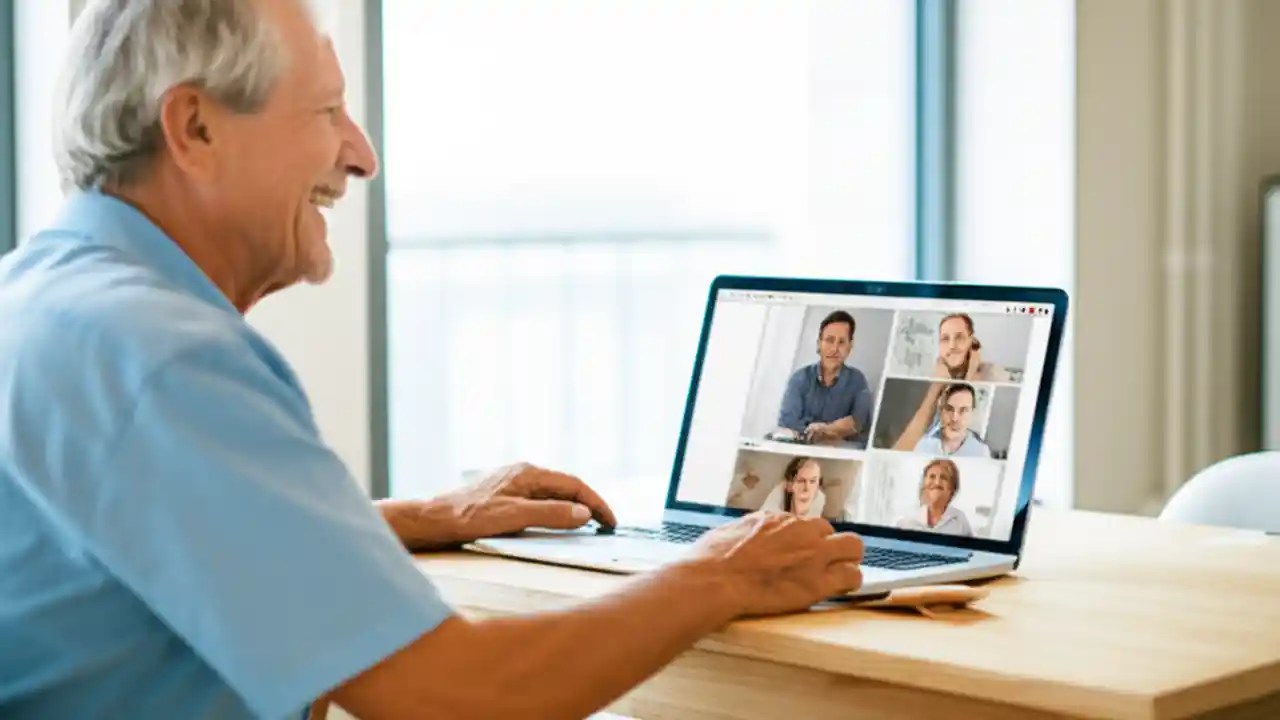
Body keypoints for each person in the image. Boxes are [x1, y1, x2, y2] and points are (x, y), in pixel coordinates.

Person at [0, 2, 865, 718]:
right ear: (194, 127)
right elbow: (461, 697)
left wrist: (415, 516)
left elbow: (144, 550)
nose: (361, 155)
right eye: (326, 111)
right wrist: (719, 574)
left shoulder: (46, 300)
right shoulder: (164, 357)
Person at [776, 310, 874, 446]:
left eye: (841, 342)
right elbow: (788, 423)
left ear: (849, 347)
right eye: (829, 340)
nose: (834, 348)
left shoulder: (857, 380)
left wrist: (825, 430)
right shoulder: (799, 378)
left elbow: (858, 421)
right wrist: (822, 431)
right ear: (819, 343)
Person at [892, 381, 993, 458]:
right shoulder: (922, 443)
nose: (954, 418)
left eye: (963, 410)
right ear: (941, 410)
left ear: (972, 413)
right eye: (949, 409)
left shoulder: (981, 452)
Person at [894, 459, 974, 536]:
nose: (937, 483)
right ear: (924, 484)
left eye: (943, 478)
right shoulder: (906, 521)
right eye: (932, 476)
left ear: (952, 488)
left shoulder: (960, 522)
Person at [933, 313, 1014, 383]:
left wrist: (971, 374)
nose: (952, 346)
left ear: (971, 341)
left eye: (959, 337)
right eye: (945, 338)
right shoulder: (936, 372)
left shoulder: (994, 374)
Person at [761, 457, 826, 518]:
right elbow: (763, 518)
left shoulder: (819, 497)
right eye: (801, 481)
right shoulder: (778, 493)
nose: (807, 487)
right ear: (789, 484)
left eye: (812, 481)